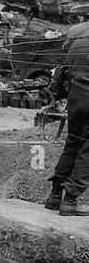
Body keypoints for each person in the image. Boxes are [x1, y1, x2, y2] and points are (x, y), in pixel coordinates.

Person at [47, 20, 89, 217]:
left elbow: (63, 65)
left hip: (75, 95)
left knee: (73, 143)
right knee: (87, 149)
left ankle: (55, 196)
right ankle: (70, 200)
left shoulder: (77, 32)